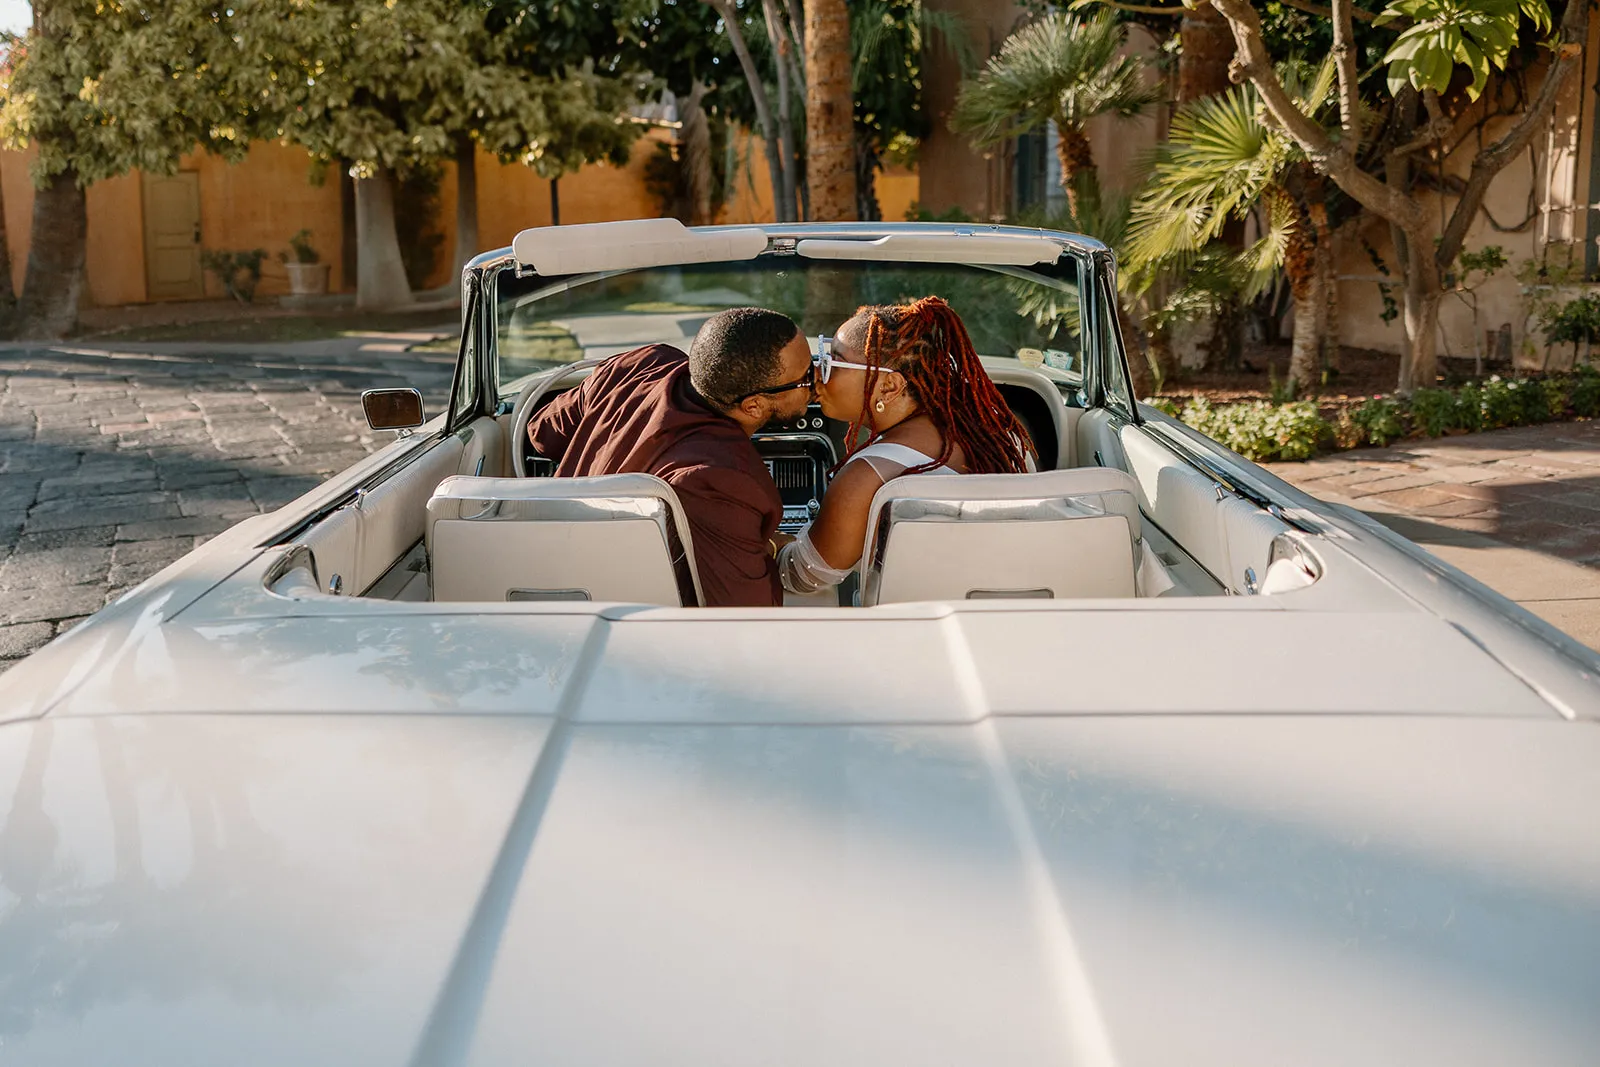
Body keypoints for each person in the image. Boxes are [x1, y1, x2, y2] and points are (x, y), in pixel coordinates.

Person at [527, 307, 815, 607]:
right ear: (753, 406)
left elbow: (541, 434)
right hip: (637, 628)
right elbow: (747, 615)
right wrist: (767, 547)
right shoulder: (725, 478)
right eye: (805, 377)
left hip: (551, 578)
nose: (818, 379)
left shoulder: (643, 363)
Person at [778, 296, 1034, 596]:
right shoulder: (1005, 440)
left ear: (889, 386)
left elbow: (802, 577)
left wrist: (769, 540)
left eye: (834, 361)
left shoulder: (867, 477)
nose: (820, 371)